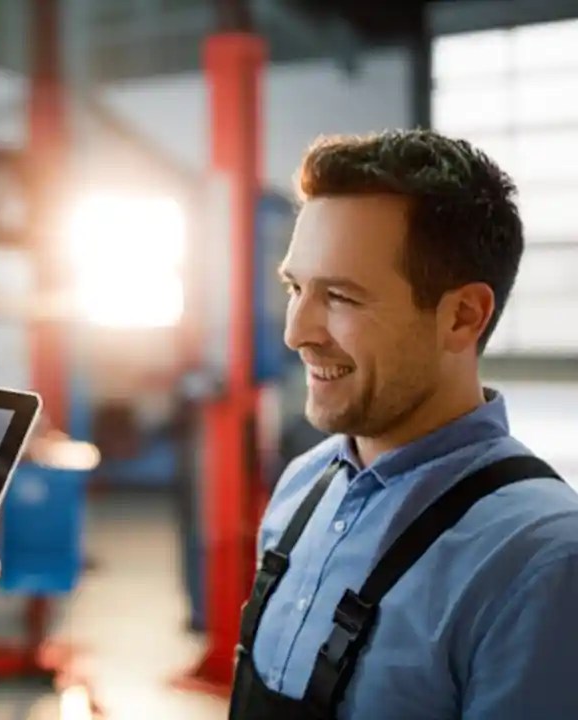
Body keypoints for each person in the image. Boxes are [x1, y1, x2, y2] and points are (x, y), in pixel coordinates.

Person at [229, 129, 578, 719]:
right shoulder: (302, 488)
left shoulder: (539, 562)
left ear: (462, 317)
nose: (297, 332)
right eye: (295, 287)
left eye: (340, 296)